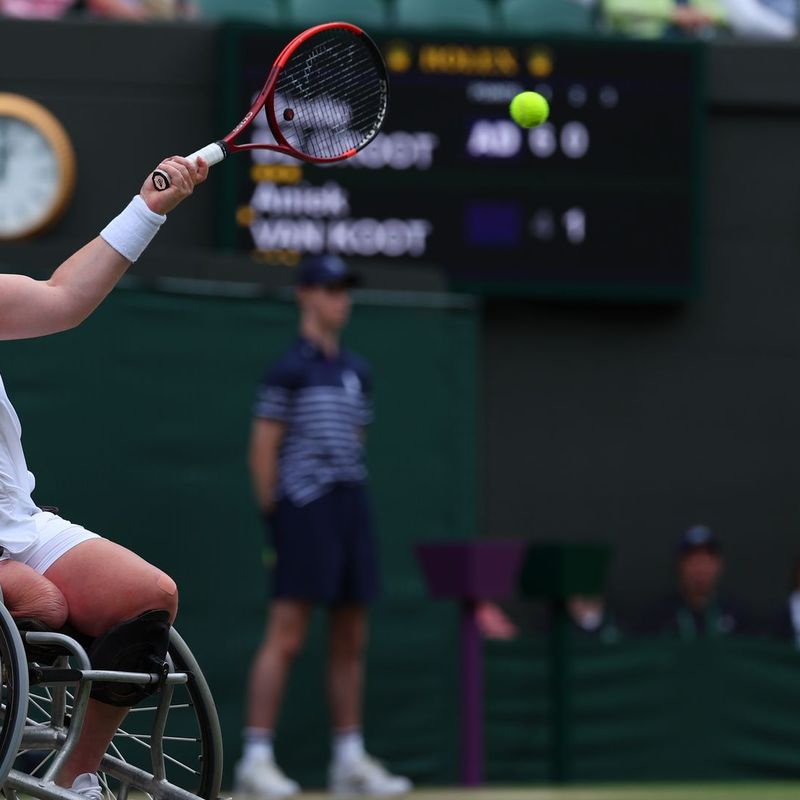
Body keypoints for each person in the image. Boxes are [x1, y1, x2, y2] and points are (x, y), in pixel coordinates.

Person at [0, 153, 207, 798]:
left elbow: (65, 299)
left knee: (145, 596)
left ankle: (75, 774)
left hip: (15, 527)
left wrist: (148, 205)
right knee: (39, 604)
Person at [235, 255, 411, 799]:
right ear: (305, 295)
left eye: (345, 290)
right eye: (330, 289)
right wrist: (278, 520)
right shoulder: (288, 368)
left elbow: (355, 442)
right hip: (303, 509)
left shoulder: (358, 370)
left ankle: (348, 760)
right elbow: (261, 453)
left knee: (351, 635)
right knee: (286, 635)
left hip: (350, 505)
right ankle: (255, 760)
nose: (342, 299)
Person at [638, 525, 746, 639]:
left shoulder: (738, 615)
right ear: (680, 565)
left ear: (719, 565)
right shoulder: (658, 617)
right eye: (693, 561)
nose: (700, 569)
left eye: (706, 561)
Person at [601, 0, 729, 38]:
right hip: (638, 54)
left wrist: (700, 15)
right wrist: (673, 14)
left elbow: (724, 14)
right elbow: (616, 7)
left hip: (690, 61)